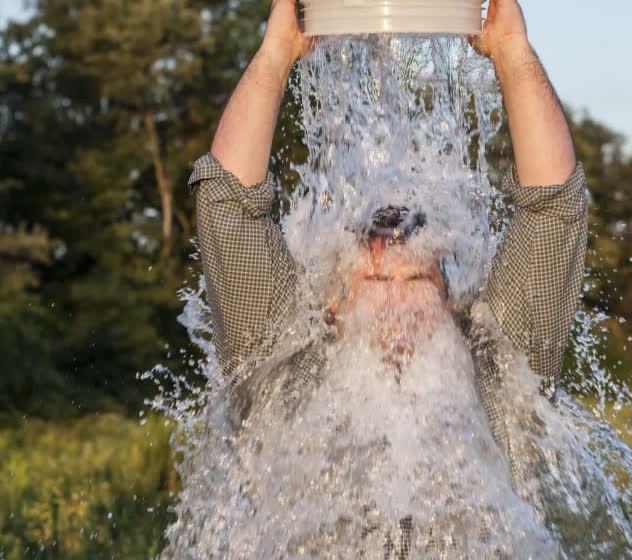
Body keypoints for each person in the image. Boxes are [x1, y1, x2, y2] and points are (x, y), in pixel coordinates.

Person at [187, 0, 588, 555]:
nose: (388, 256)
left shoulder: (501, 372)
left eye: (413, 275)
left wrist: (513, 53)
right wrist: (276, 54)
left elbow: (554, 210)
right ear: (332, 303)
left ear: (451, 299)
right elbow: (228, 206)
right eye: (373, 270)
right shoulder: (280, 370)